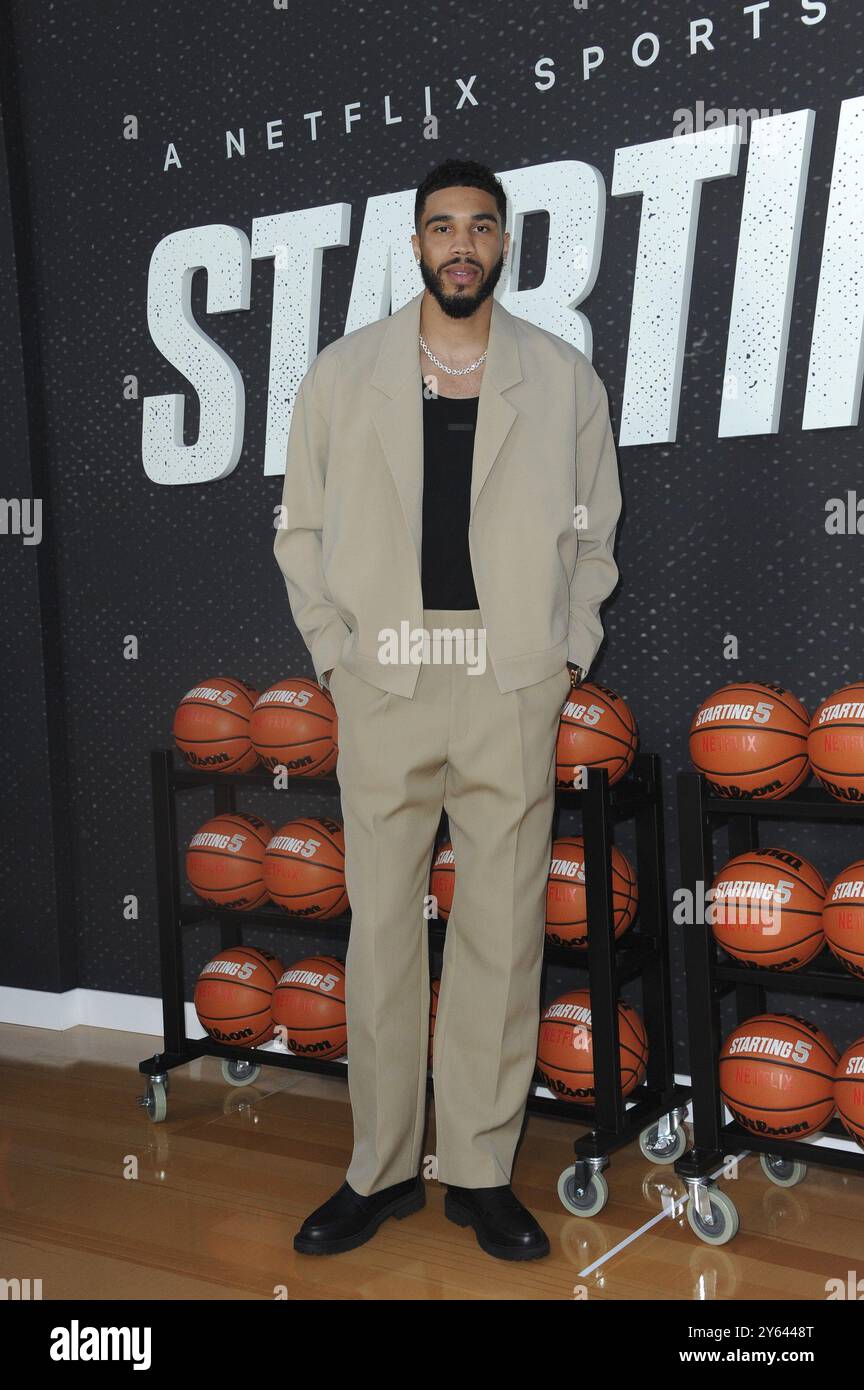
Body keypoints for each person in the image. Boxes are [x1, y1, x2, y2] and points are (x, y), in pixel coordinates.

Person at [273, 158, 622, 1262]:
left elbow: (595, 533)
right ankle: (377, 1170)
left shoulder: (562, 378)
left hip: (506, 682)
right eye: (441, 228)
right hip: (385, 679)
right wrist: (335, 658)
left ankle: (477, 1168)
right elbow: (300, 532)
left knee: (501, 934)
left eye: (480, 227)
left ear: (505, 246)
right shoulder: (341, 376)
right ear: (414, 245)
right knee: (381, 931)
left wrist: (566, 654)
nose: (460, 245)